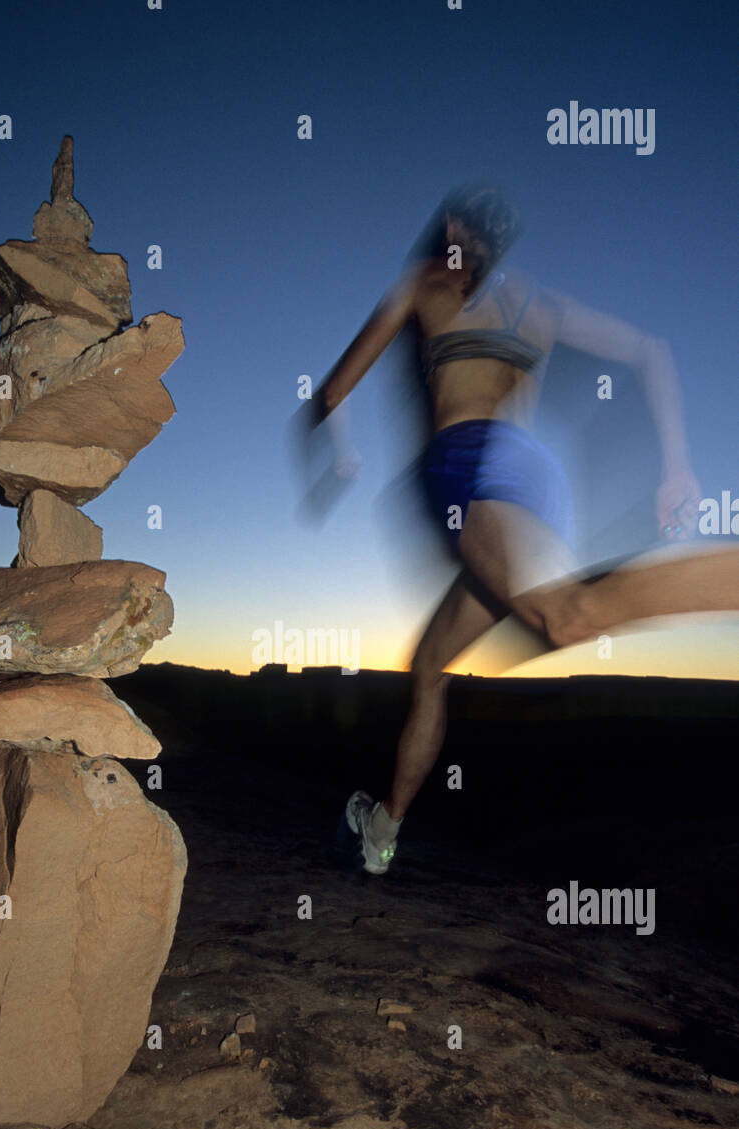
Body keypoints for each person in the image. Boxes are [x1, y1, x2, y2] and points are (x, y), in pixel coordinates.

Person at [303, 183, 739, 874]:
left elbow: (331, 391)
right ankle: (381, 831)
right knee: (428, 668)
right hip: (533, 478)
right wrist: (678, 469)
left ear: (451, 226)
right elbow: (652, 349)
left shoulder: (424, 280)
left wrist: (340, 455)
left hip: (471, 464)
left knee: (566, 617)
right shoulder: (541, 302)